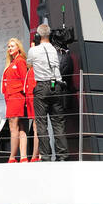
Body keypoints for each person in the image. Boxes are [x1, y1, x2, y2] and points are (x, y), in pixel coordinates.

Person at [27, 24, 68, 162]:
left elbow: (29, 64)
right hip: (56, 85)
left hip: (42, 87)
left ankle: (45, 155)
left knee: (41, 122)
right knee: (58, 122)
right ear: (49, 35)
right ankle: (62, 155)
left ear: (38, 36)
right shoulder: (54, 49)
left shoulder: (33, 50)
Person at [1, 38, 30, 163]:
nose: (10, 48)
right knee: (21, 127)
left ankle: (12, 157)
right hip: (11, 98)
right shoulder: (11, 63)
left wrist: (26, 98)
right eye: (8, 46)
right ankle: (23, 156)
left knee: (14, 127)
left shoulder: (20, 61)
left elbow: (25, 80)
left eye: (12, 46)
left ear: (18, 47)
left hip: (17, 97)